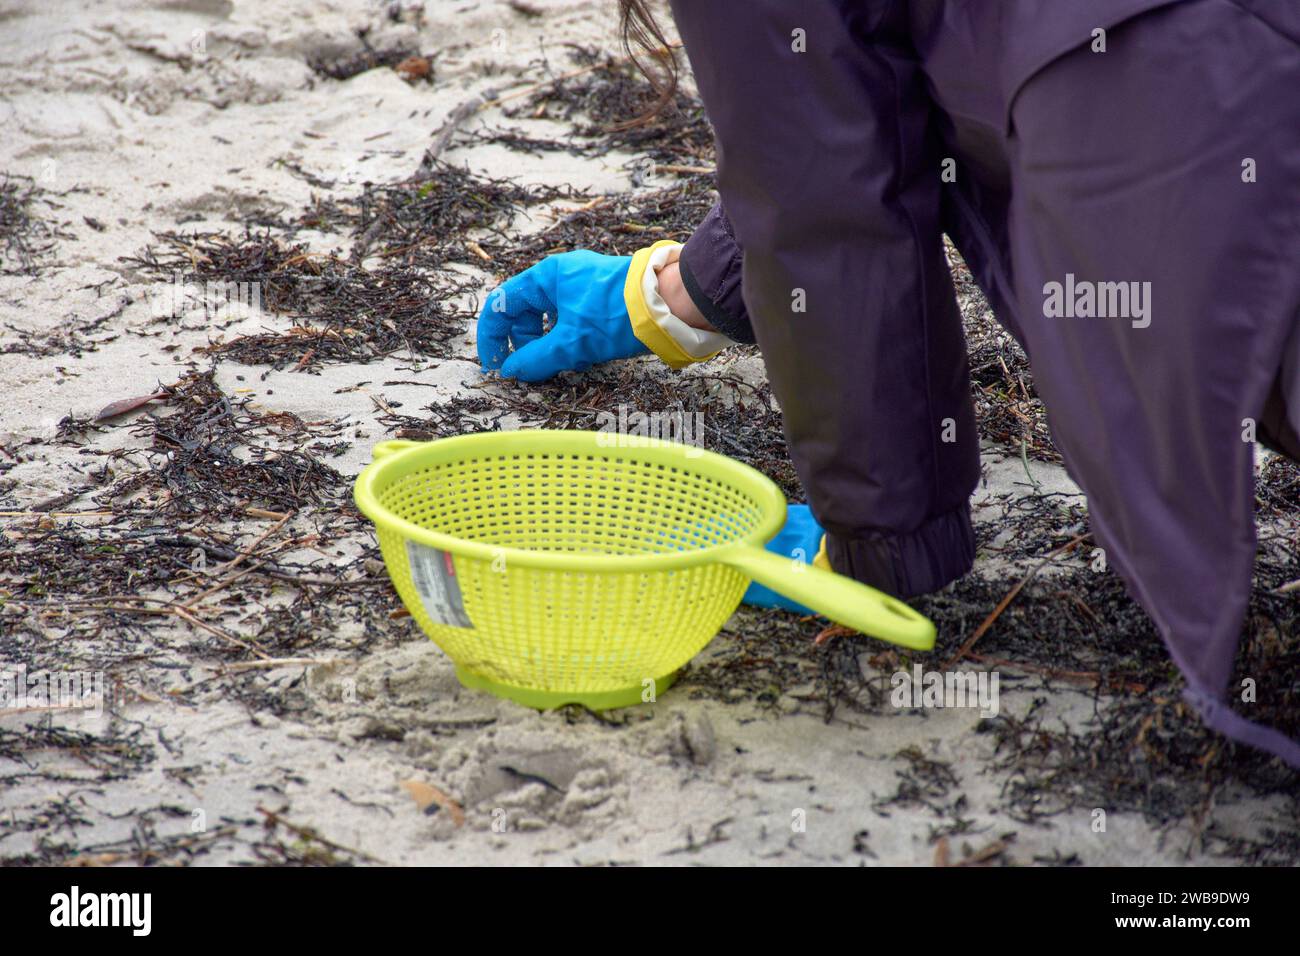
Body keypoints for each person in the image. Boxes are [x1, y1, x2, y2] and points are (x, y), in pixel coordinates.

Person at [476, 0, 1300, 766]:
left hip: (1180, 113)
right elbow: (871, 90)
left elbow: (826, 189)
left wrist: (876, 543)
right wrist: (675, 294)